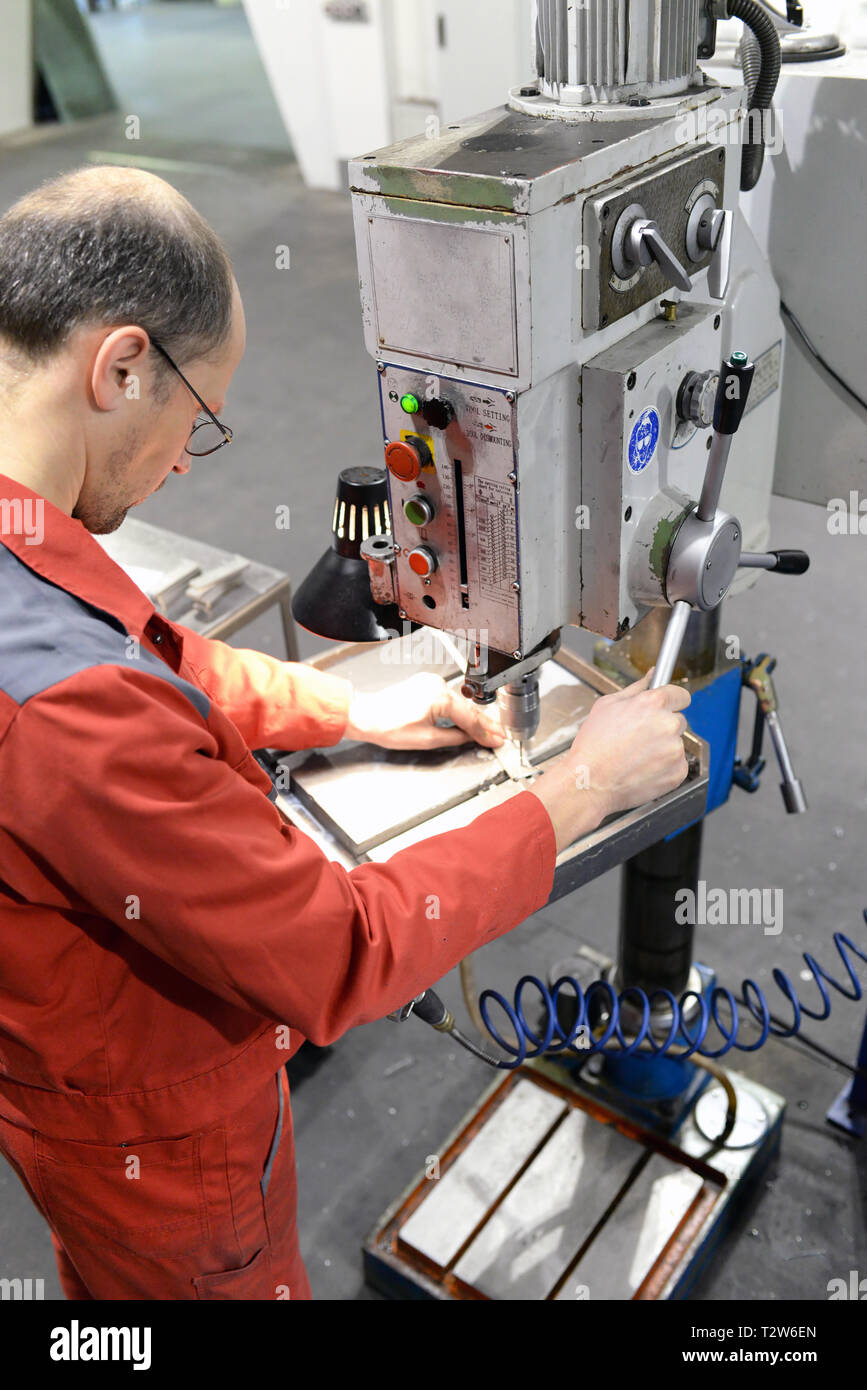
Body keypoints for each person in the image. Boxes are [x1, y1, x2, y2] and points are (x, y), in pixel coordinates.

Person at [0, 166, 691, 1300]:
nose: (181, 461)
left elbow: (143, 651)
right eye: (196, 420)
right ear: (121, 365)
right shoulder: (70, 717)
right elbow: (336, 953)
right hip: (159, 1148)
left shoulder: (26, 534)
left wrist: (345, 703)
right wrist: (581, 789)